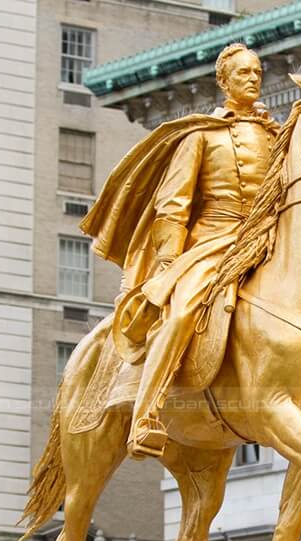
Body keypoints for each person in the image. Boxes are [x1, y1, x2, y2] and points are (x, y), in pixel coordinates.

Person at [80, 44, 278, 459]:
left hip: (266, 242)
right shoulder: (201, 135)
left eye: (257, 71)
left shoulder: (276, 135)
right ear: (224, 81)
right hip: (212, 244)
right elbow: (173, 204)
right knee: (184, 311)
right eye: (243, 72)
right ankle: (145, 415)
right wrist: (170, 260)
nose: (253, 78)